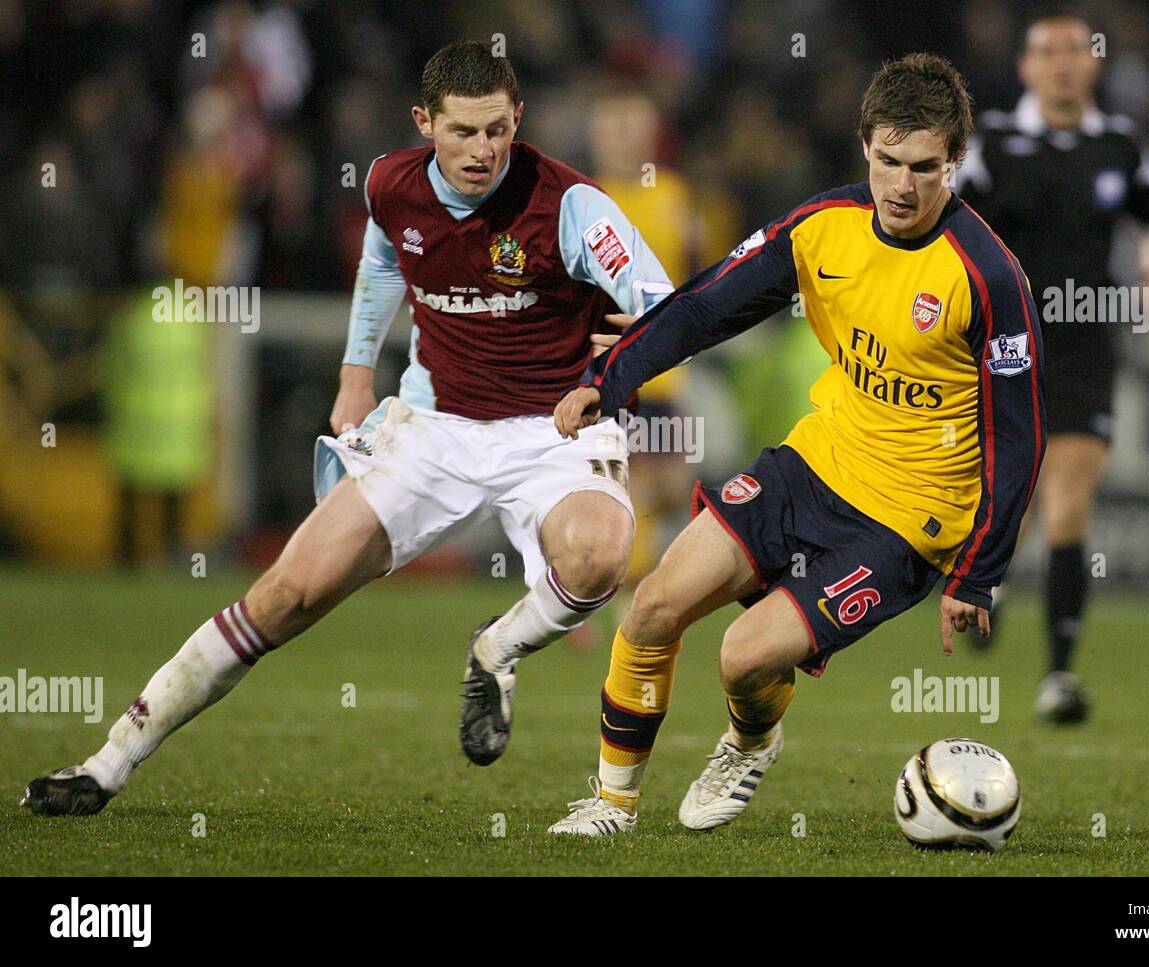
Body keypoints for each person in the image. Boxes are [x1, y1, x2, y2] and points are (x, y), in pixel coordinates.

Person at [22, 41, 673, 816]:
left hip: (552, 429)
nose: (483, 150)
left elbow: (665, 299)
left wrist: (613, 372)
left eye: (498, 129)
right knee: (286, 593)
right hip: (435, 424)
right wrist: (355, 375)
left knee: (600, 556)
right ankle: (106, 763)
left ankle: (495, 647)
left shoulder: (568, 203)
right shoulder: (390, 185)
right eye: (462, 132)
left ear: (518, 119)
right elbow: (385, 257)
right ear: (423, 122)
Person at [547, 53, 1045, 836]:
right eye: (887, 161)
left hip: (909, 519)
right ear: (865, 147)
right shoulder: (823, 228)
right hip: (816, 462)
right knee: (652, 607)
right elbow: (707, 305)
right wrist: (609, 374)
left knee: (743, 657)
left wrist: (978, 574)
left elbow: (1019, 438)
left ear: (955, 161)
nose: (902, 186)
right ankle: (610, 808)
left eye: (923, 167)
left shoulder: (987, 277)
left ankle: (750, 738)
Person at [955, 7, 1149, 723]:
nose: (1061, 62)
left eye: (1074, 50)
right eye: (1046, 51)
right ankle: (992, 578)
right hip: (1004, 344)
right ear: (1024, 67)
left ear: (1094, 63)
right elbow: (940, 224)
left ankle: (1058, 675)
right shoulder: (990, 142)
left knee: (1070, 500)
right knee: (1011, 498)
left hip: (1087, 342)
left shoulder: (1120, 145)